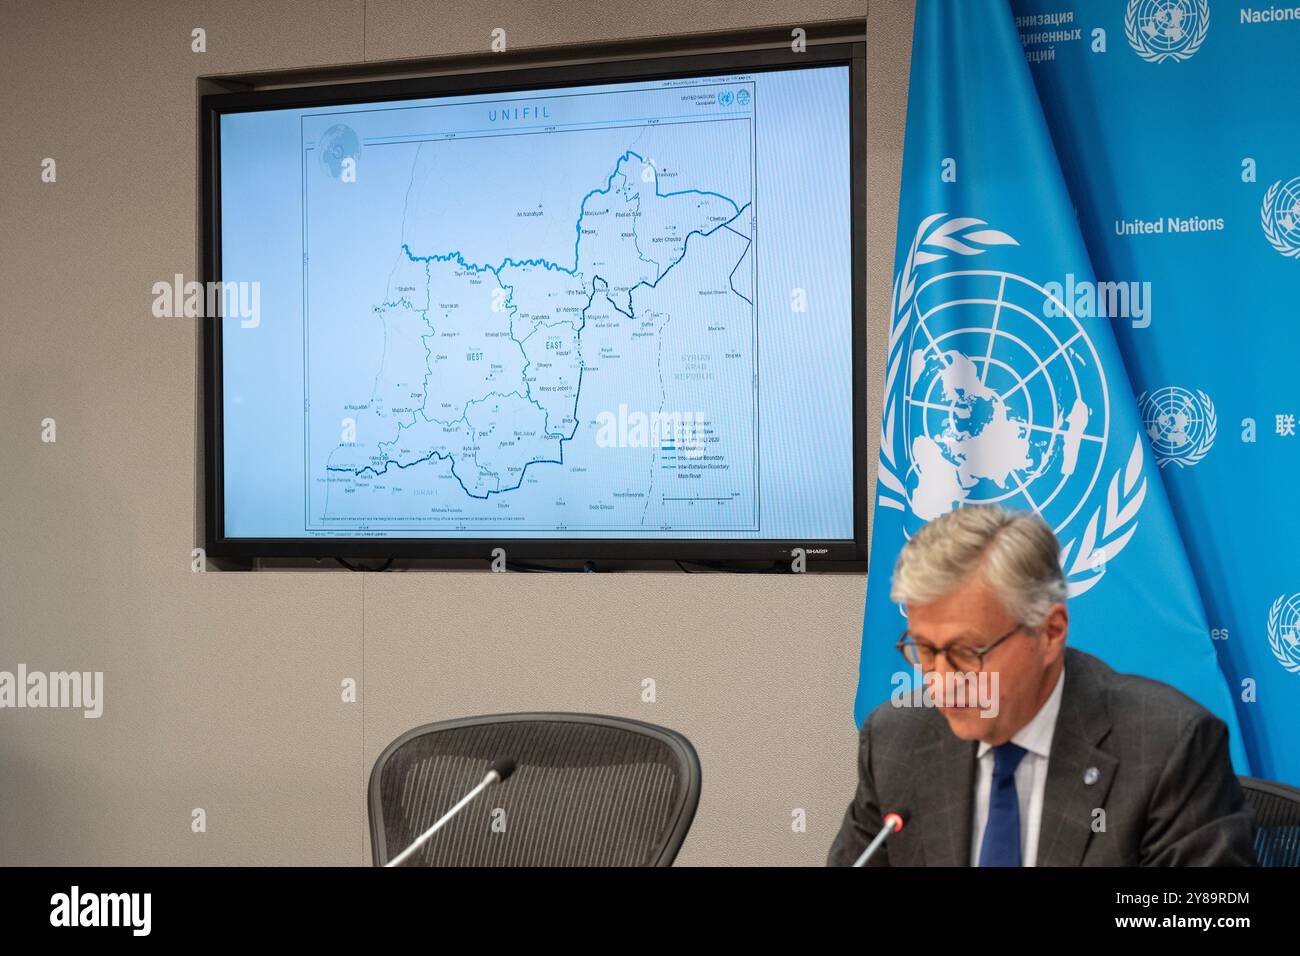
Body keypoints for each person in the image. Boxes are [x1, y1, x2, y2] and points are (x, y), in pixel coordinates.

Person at [828, 504, 1256, 866]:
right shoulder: (896, 740)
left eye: (967, 652)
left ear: (1050, 632)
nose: (941, 682)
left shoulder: (1167, 748)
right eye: (924, 649)